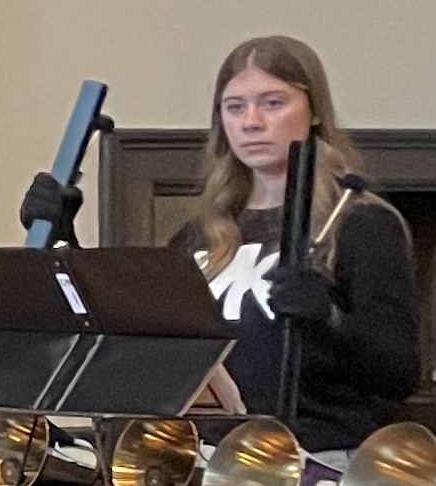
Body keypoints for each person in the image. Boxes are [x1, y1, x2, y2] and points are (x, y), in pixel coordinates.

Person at [176, 34, 418, 451]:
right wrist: (64, 247)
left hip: (316, 457)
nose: (251, 122)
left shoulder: (360, 224)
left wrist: (331, 320)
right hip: (210, 453)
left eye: (273, 103)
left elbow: (398, 373)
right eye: (235, 107)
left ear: (314, 111)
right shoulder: (198, 235)